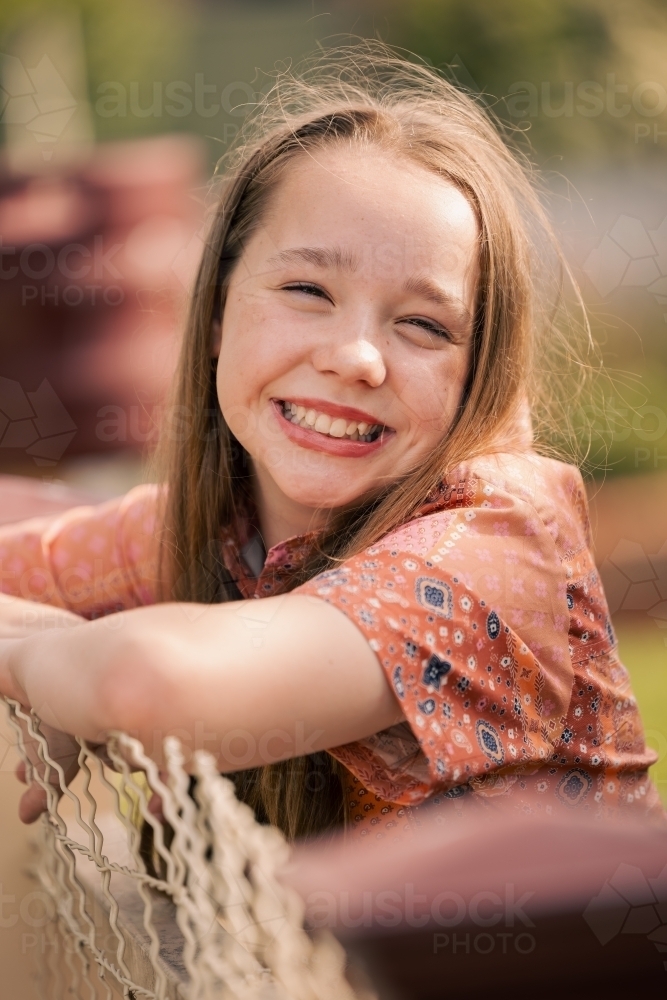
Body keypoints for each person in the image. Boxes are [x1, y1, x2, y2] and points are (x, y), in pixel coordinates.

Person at [0, 44, 661, 842]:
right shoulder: (224, 531)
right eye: (308, 290)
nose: (354, 356)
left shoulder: (497, 549)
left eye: (423, 325)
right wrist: (69, 675)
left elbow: (145, 683)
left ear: (478, 369)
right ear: (215, 313)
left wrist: (61, 663)